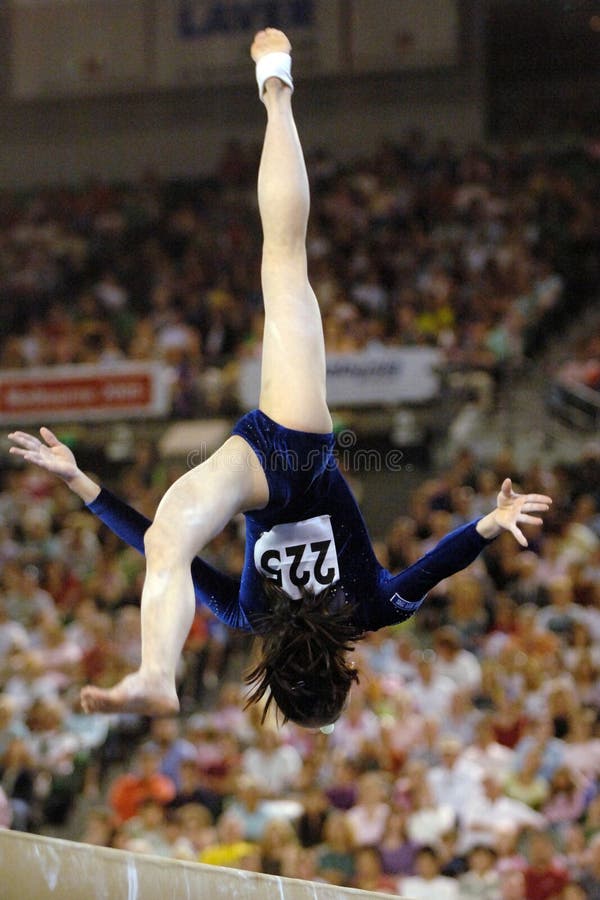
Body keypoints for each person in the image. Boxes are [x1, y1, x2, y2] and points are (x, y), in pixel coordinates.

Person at [8, 29, 553, 730]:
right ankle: (154, 671)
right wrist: (82, 484)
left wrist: (490, 523)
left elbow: (439, 565)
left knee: (286, 259)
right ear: (275, 674)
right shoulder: (248, 615)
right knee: (170, 538)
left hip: (297, 447)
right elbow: (148, 541)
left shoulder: (370, 610)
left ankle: (277, 85)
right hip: (262, 469)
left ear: (344, 670)